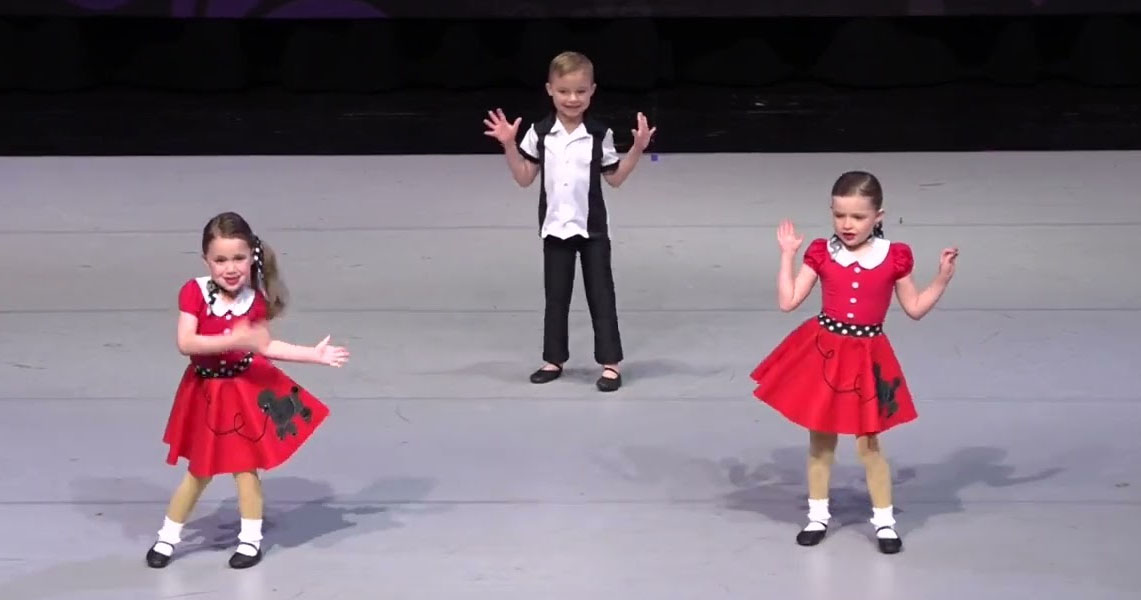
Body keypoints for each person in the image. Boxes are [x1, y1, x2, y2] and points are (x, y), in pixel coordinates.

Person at [750, 171, 958, 554]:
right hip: (825, 354)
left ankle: (884, 521)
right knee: (821, 441)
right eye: (840, 215)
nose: (847, 225)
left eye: (858, 217)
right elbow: (788, 300)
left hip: (866, 359)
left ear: (878, 215)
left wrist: (941, 279)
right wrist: (787, 256)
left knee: (869, 445)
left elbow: (914, 308)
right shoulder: (821, 253)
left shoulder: (894, 257)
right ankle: (817, 515)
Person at [146, 211, 350, 569]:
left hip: (241, 391)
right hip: (206, 393)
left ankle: (250, 540)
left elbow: (265, 347)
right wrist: (233, 338)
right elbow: (185, 342)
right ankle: (168, 536)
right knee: (199, 471)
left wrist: (312, 355)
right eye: (220, 259)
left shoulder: (254, 302)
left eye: (238, 258)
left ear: (251, 258)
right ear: (206, 260)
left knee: (245, 469)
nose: (230, 268)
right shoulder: (194, 292)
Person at [483, 51, 655, 392]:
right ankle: (554, 358)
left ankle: (610, 363)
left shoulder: (598, 133)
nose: (572, 99)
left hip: (592, 229)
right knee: (556, 297)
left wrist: (636, 148)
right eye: (564, 91)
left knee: (601, 295)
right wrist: (509, 145)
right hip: (554, 228)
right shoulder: (540, 132)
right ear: (550, 90)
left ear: (592, 91)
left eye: (580, 91)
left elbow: (615, 178)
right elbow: (524, 177)